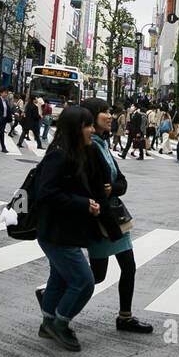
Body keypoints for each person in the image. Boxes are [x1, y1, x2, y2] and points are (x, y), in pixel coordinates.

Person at [40, 100, 155, 336]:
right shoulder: (88, 147)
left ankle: (125, 316)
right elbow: (90, 188)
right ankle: (53, 302)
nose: (109, 116)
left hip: (113, 215)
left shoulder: (101, 145)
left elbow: (120, 181)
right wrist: (95, 202)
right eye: (103, 112)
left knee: (128, 267)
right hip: (101, 217)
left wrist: (113, 188)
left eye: (110, 111)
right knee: (95, 276)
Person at [33, 105, 104, 350]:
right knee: (84, 282)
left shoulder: (73, 152)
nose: (92, 130)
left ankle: (47, 323)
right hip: (55, 233)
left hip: (62, 231)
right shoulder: (60, 155)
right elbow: (47, 193)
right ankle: (60, 324)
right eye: (88, 126)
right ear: (76, 128)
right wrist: (84, 204)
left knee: (59, 279)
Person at [0, 87, 12, 153]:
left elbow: (8, 109)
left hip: (4, 120)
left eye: (6, 93)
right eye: (4, 93)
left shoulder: (5, 101)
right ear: (1, 93)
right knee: (1, 133)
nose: (6, 94)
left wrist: (15, 113)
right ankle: (3, 148)